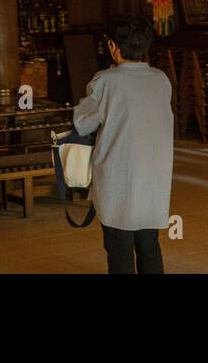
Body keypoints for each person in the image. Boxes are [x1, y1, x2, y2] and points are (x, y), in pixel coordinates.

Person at [72, 14, 175, 274]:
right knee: (149, 244)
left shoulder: (106, 81)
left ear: (112, 46)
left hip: (119, 182)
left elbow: (83, 123)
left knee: (119, 249)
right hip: (153, 182)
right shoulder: (161, 79)